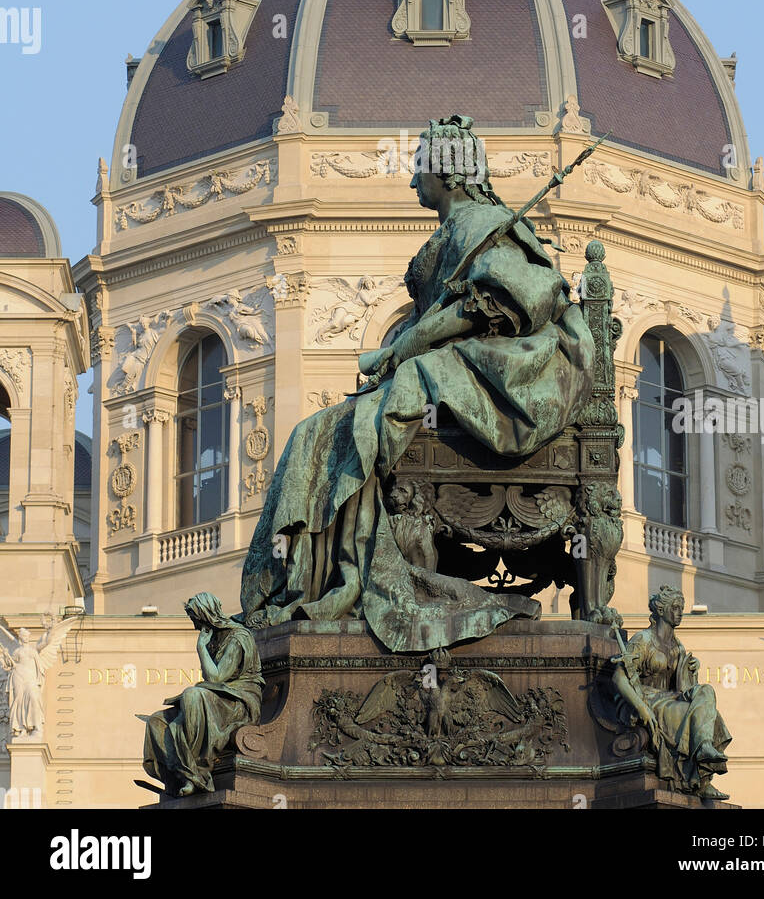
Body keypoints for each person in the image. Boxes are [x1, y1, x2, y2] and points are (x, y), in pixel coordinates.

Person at [240, 114, 595, 652]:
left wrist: (403, 346)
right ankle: (306, 579)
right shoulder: (460, 230)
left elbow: (500, 301)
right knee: (316, 431)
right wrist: (404, 346)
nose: (412, 183)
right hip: (460, 375)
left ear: (448, 173)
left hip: (509, 380)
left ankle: (332, 577)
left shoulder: (483, 226)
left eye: (420, 170)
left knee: (368, 411)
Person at [612, 584, 731, 799]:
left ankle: (703, 757)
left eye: (682, 608)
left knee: (706, 692)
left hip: (669, 698)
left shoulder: (678, 646)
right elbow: (619, 677)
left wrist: (690, 671)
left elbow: (682, 688)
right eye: (675, 607)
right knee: (692, 715)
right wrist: (642, 709)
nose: (680, 612)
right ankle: (699, 779)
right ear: (660, 610)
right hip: (647, 700)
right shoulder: (643, 640)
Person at [142, 593, 263, 795]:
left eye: (195, 620)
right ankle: (180, 776)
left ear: (206, 616)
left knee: (192, 695)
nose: (194, 626)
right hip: (218, 699)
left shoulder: (238, 637)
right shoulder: (214, 638)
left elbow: (215, 678)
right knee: (156, 721)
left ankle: (198, 772)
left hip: (239, 702)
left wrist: (201, 648)